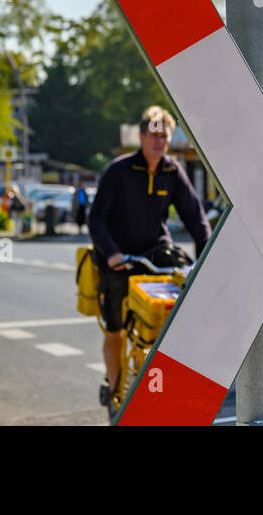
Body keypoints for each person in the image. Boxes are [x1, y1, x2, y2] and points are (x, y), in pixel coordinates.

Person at [88, 106, 211, 407]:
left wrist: (207, 256)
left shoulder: (172, 171)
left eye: (164, 136)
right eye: (153, 135)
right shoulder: (119, 171)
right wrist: (112, 253)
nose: (159, 141)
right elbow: (96, 219)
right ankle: (115, 391)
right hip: (120, 256)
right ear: (141, 137)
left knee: (182, 299)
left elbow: (196, 220)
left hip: (156, 252)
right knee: (115, 328)